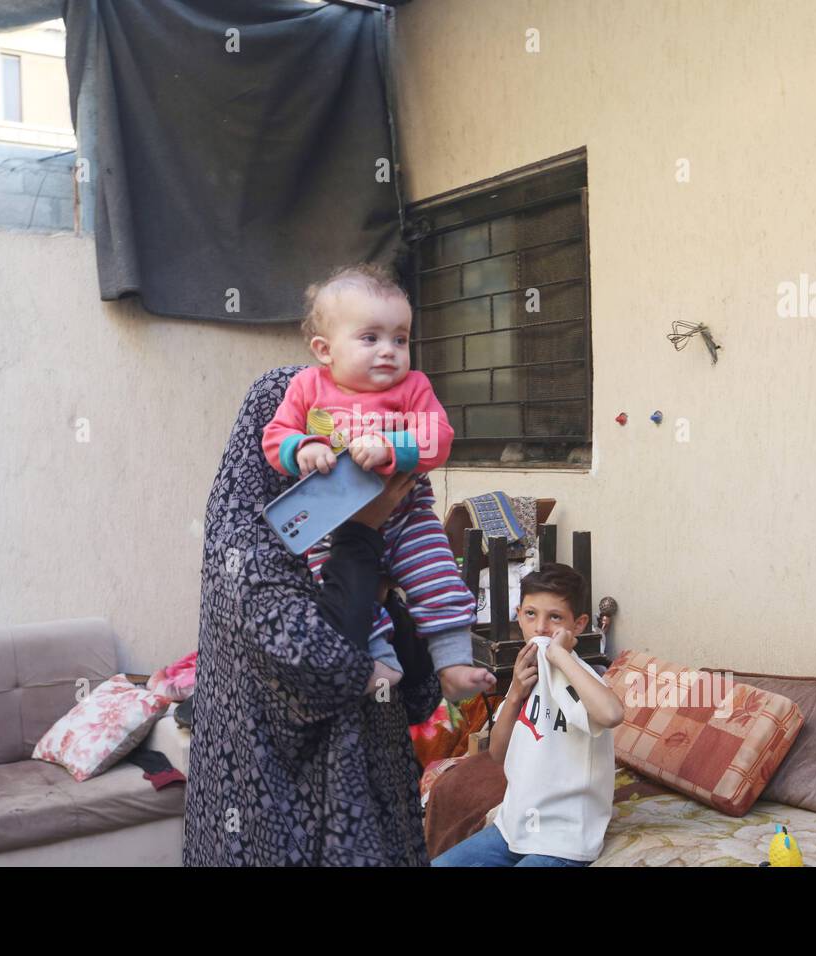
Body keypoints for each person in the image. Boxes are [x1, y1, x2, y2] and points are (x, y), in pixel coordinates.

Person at [183, 366, 443, 866]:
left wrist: (391, 569)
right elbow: (323, 665)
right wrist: (362, 532)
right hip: (283, 817)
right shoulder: (244, 547)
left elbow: (415, 690)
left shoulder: (374, 516)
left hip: (378, 798)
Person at [261, 263, 494, 705]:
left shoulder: (413, 387)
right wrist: (303, 448)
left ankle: (453, 663)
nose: (389, 350)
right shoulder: (306, 387)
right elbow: (276, 437)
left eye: (400, 338)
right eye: (370, 338)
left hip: (408, 517)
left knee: (439, 577)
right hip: (333, 522)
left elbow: (439, 438)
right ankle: (378, 658)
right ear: (324, 349)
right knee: (346, 588)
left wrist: (392, 447)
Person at [431, 563, 625, 867]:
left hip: (563, 841)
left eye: (555, 618)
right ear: (518, 615)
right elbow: (497, 752)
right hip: (513, 829)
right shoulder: (529, 670)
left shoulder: (576, 676)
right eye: (531, 614)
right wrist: (516, 693)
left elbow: (612, 713)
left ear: (578, 624)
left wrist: (560, 654)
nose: (540, 628)